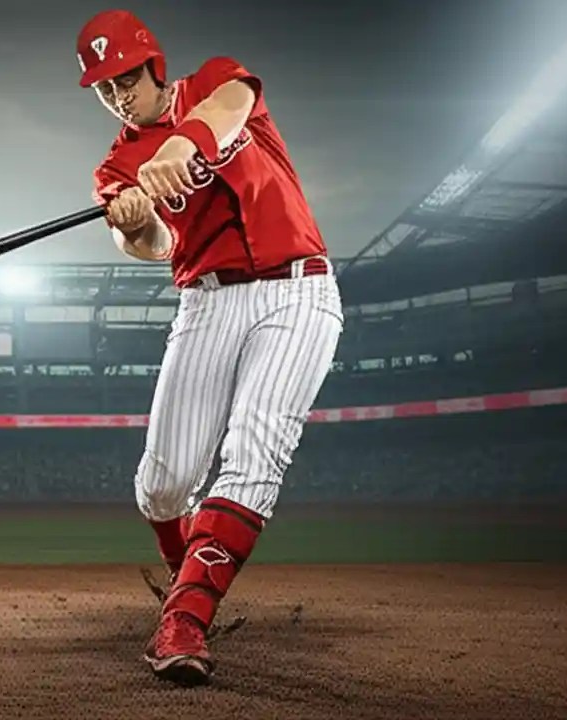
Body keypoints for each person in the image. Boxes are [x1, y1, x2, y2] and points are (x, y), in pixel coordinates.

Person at [76, 10, 344, 686]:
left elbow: (232, 108)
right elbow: (153, 247)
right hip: (207, 300)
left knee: (255, 452)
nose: (117, 94)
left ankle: (185, 621)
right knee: (162, 485)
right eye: (104, 88)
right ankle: (188, 568)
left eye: (125, 78)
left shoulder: (218, 82)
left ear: (153, 65)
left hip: (297, 291)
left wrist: (177, 149)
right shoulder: (114, 165)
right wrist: (133, 224)